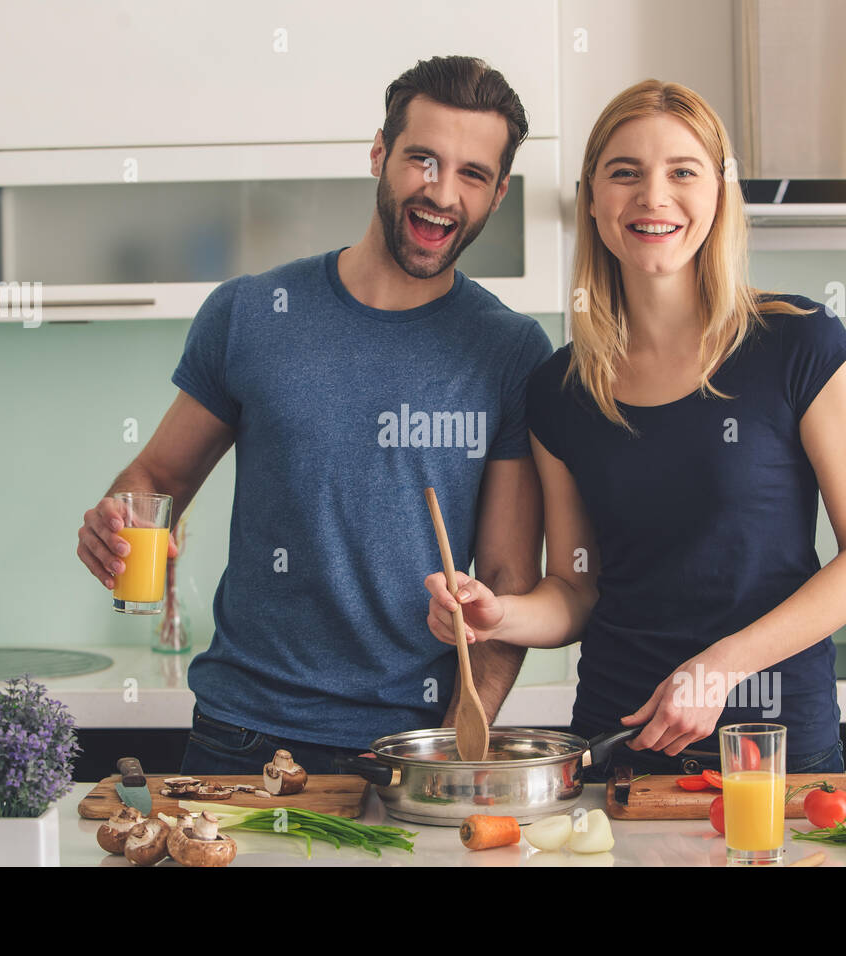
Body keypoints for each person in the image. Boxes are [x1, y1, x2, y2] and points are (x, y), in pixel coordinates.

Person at [75, 56, 553, 775]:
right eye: (421, 158)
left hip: (406, 754)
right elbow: (156, 478)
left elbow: (510, 582)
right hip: (238, 739)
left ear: (498, 192)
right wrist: (118, 522)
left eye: (472, 174)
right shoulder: (249, 315)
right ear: (378, 154)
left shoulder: (511, 351)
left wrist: (455, 746)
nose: (441, 193)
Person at [425, 79, 846, 778]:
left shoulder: (801, 345)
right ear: (592, 197)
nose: (653, 197)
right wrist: (500, 616)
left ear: (718, 193)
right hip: (619, 744)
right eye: (625, 173)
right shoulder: (561, 388)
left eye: (682, 171)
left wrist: (719, 667)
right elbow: (578, 586)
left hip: (772, 749)